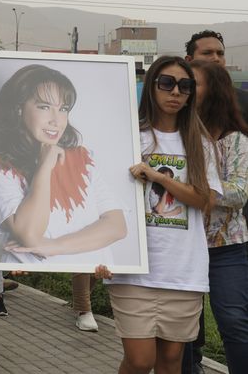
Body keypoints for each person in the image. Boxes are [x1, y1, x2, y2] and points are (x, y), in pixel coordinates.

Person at [98, 55, 222, 374]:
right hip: (134, 268)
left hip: (182, 269)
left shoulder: (200, 143)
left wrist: (160, 177)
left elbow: (205, 200)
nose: (175, 92)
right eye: (166, 83)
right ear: (151, 86)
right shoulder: (129, 137)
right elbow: (102, 198)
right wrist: (99, 254)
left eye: (185, 86)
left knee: (171, 362)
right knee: (140, 361)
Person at [0, 64, 127, 265]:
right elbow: (29, 234)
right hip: (30, 276)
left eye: (63, 109)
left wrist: (54, 246)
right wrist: (45, 165)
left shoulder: (82, 158)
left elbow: (117, 226)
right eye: (44, 107)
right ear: (19, 109)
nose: (56, 120)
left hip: (88, 275)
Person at [189, 59, 248, 372]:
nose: (183, 90)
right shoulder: (175, 136)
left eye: (193, 83)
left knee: (234, 322)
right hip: (182, 245)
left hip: (226, 249)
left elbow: (239, 193)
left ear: (214, 91)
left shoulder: (236, 140)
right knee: (181, 331)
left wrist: (194, 190)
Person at [185, 30, 248, 124]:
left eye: (220, 53)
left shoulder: (244, 100)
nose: (216, 58)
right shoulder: (179, 97)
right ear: (189, 60)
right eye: (207, 53)